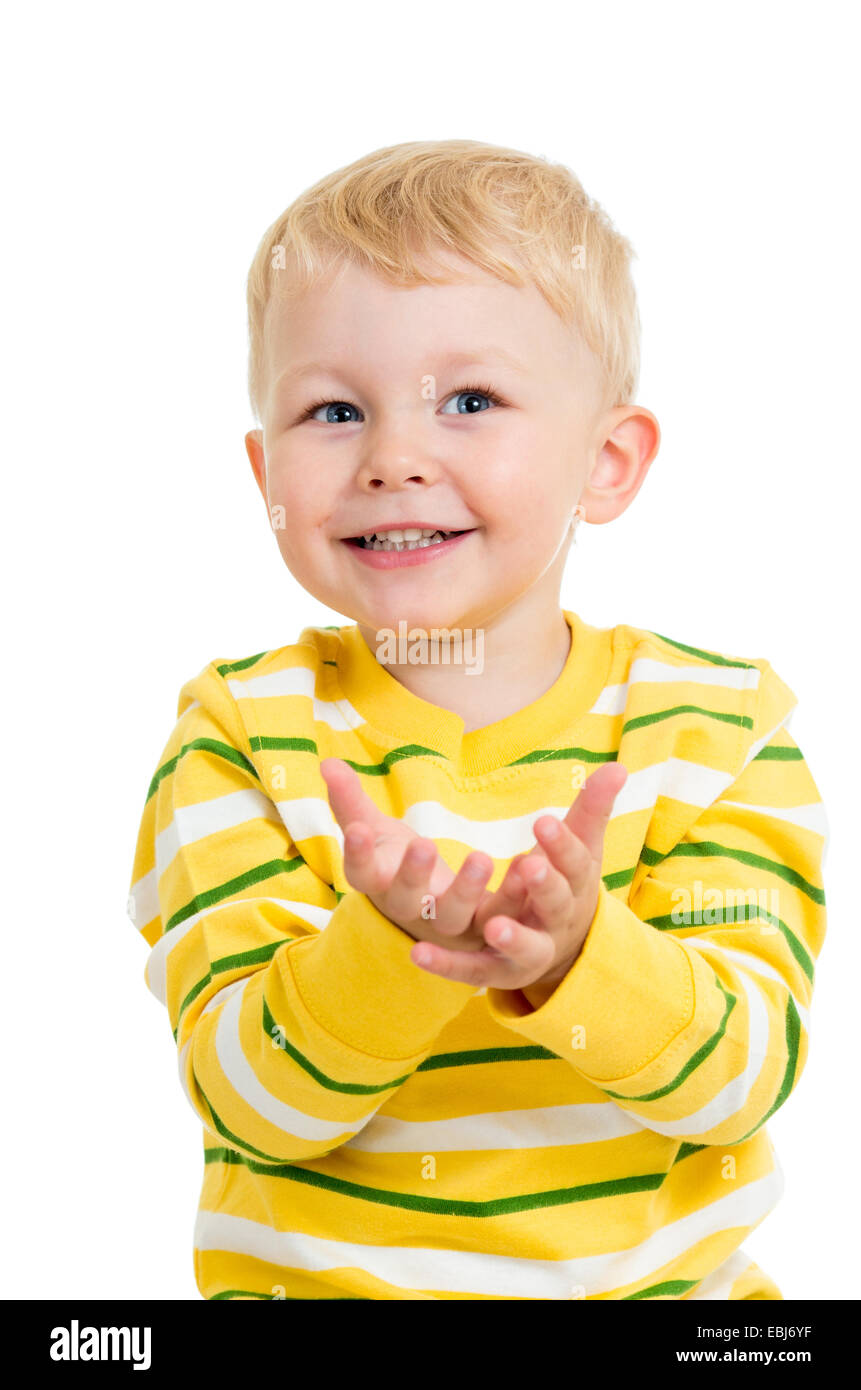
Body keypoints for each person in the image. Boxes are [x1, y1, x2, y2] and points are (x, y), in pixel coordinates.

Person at [126, 139, 827, 1300]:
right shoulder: (236, 733)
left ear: (606, 461)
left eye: (469, 400)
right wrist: (391, 947)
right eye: (335, 409)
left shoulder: (720, 730)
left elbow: (741, 1081)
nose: (395, 458)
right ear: (267, 478)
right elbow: (253, 1105)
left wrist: (575, 961)